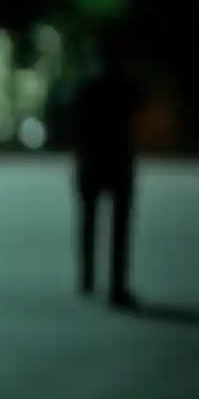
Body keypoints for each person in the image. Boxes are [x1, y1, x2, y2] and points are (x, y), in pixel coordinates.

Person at [73, 37, 144, 308]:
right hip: (119, 158)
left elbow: (75, 117)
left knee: (88, 221)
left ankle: (87, 277)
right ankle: (117, 285)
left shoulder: (86, 84)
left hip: (91, 157)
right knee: (120, 226)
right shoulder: (126, 84)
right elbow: (140, 105)